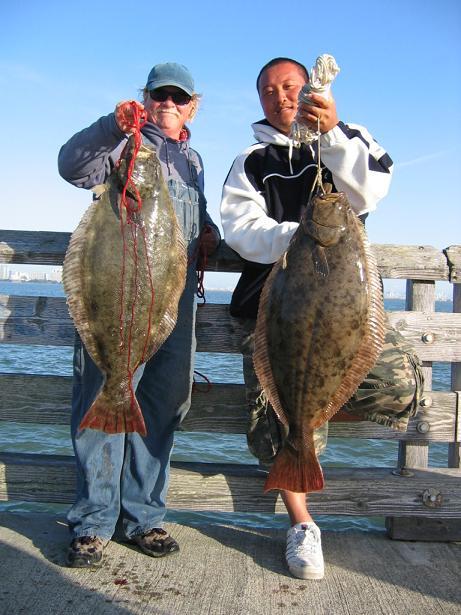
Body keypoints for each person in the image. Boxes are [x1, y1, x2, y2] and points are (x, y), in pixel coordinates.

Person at [220, 57, 423, 581]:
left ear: (307, 88)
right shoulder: (251, 160)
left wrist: (331, 132)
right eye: (268, 90)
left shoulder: (349, 137)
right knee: (276, 426)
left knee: (399, 388)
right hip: (277, 315)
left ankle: (314, 414)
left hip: (342, 312)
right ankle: (303, 523)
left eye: (289, 86)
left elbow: (370, 188)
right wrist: (302, 235)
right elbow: (241, 229)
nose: (280, 96)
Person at [58, 62, 220, 568]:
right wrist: (112, 125)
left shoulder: (193, 160)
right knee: (102, 404)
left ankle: (144, 518)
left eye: (178, 97)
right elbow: (71, 166)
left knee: (160, 410)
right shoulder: (122, 147)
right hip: (115, 298)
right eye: (159, 95)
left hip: (170, 307)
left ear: (193, 105)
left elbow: (191, 217)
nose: (167, 103)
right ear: (145, 98)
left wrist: (209, 229)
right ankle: (92, 523)